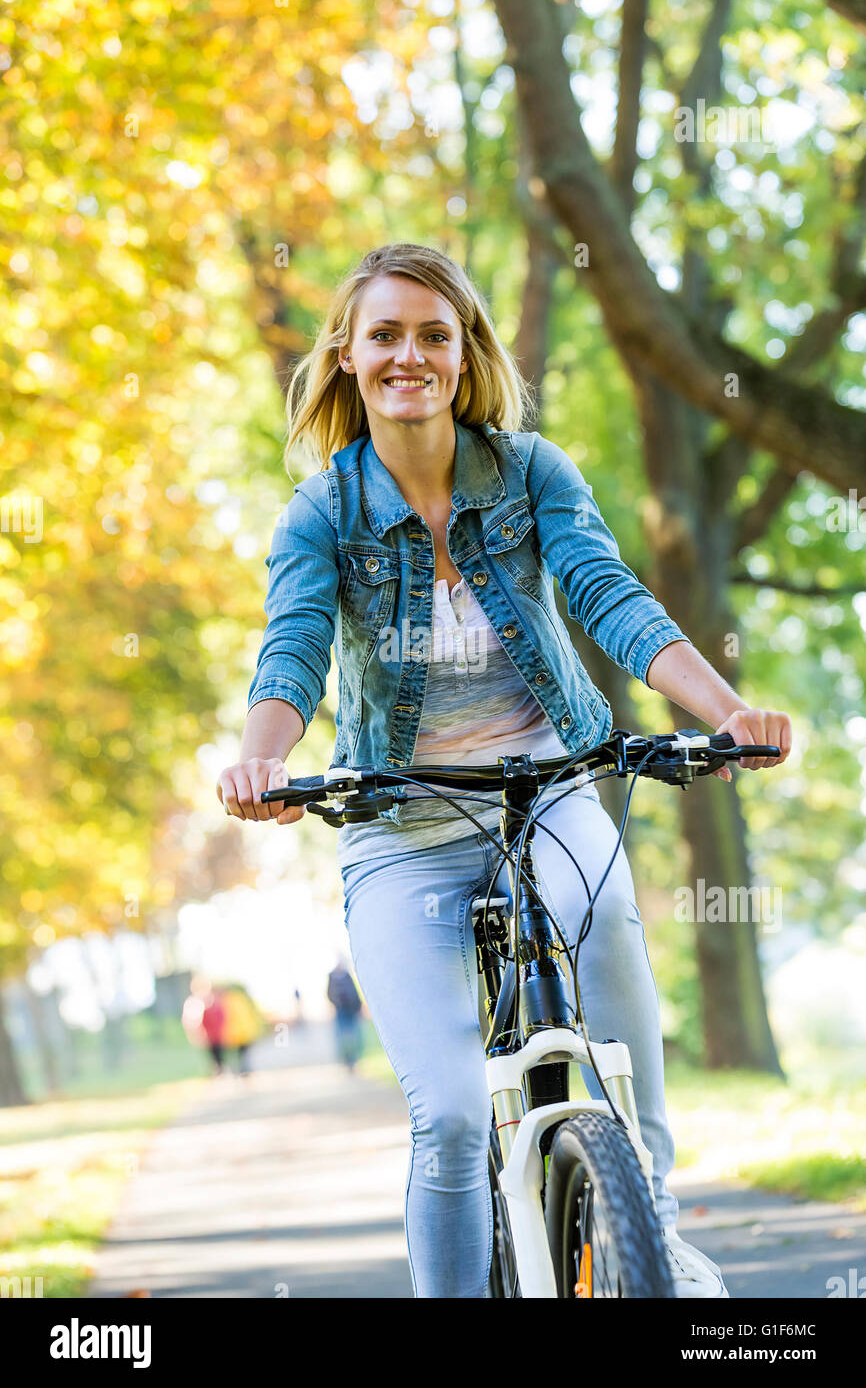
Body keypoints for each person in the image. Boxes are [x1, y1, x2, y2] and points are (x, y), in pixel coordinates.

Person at [217, 243, 792, 1298]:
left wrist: (726, 712)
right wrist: (262, 761)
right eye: (384, 334)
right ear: (348, 355)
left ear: (464, 350)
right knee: (443, 1111)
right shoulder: (320, 513)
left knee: (609, 932)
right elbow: (292, 650)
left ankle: (646, 1229)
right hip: (401, 825)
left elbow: (609, 596)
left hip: (546, 790)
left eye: (434, 334)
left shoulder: (528, 472)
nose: (409, 356)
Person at [181, 976, 226, 1075]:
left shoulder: (213, 1000)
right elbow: (192, 1021)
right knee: (212, 1055)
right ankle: (217, 1070)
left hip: (217, 1034)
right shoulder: (195, 1002)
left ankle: (220, 1070)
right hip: (207, 1035)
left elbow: (222, 1015)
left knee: (219, 1054)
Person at [327, 955, 363, 1071]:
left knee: (353, 1035)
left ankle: (353, 1059)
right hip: (340, 1011)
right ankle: (346, 1059)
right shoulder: (332, 976)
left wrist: (358, 1006)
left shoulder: (347, 975)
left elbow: (354, 992)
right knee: (343, 1036)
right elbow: (330, 994)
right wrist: (338, 1002)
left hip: (351, 1010)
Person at [219, 983, 262, 1076]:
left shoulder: (227, 1001)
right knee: (243, 1053)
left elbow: (227, 1018)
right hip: (245, 1031)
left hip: (236, 1032)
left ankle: (241, 1070)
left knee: (239, 1054)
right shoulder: (241, 999)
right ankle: (244, 1069)